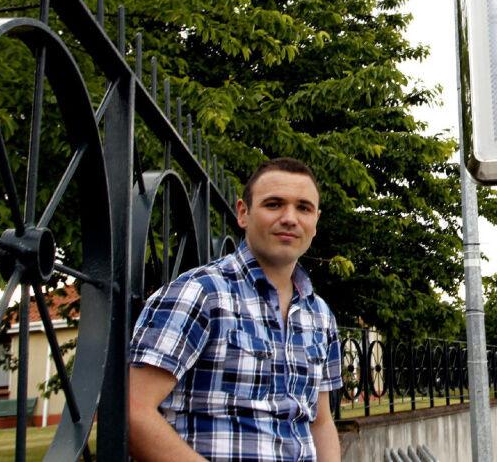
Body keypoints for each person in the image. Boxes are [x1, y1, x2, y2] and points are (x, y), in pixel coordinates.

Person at [129, 157, 341, 461]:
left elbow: (320, 422)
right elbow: (133, 410)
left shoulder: (320, 315)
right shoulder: (200, 293)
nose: (290, 218)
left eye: (303, 208)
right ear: (243, 213)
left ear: (315, 221)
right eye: (274, 204)